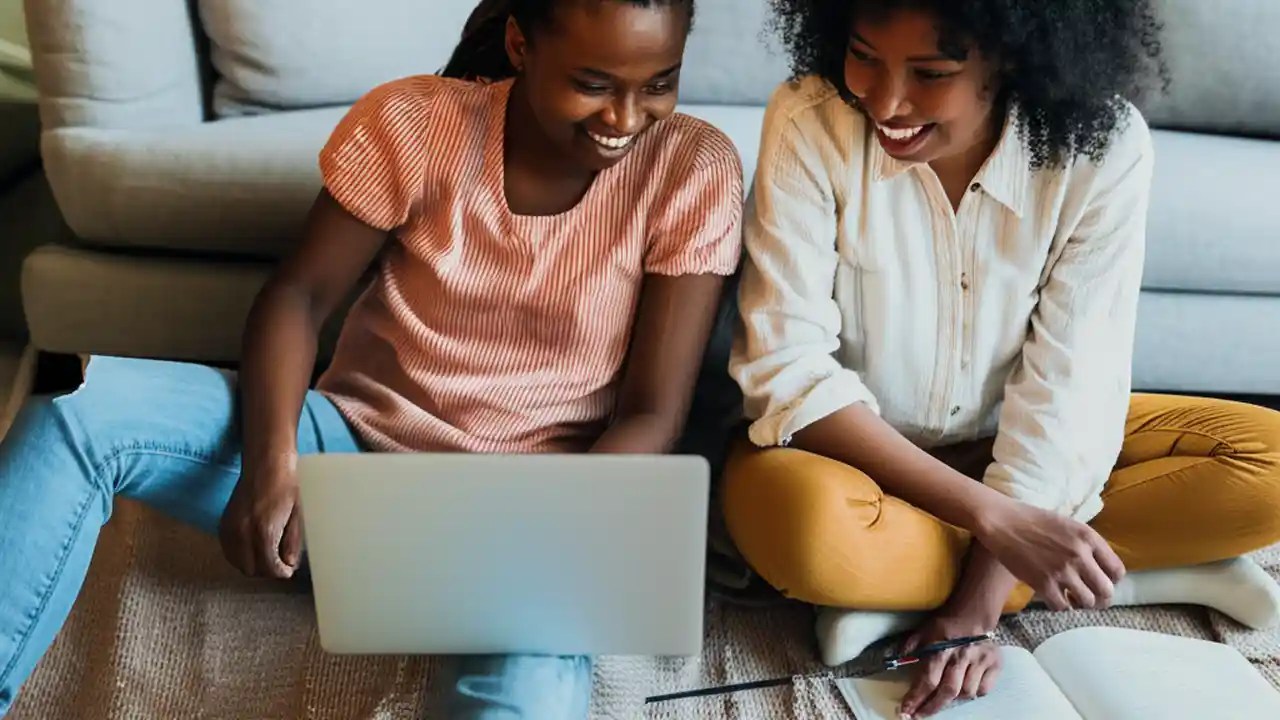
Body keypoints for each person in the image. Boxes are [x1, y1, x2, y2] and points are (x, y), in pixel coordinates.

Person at [0, 0, 744, 716]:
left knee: (522, 697)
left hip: (533, 508)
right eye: (593, 84)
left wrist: (552, 539)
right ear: (522, 46)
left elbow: (652, 413)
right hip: (352, 454)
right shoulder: (416, 122)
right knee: (81, 408)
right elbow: (296, 298)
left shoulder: (692, 169)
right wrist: (273, 464)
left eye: (658, 84)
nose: (624, 118)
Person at [724, 1, 1280, 717]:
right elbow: (786, 371)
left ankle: (933, 582)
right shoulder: (809, 120)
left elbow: (1069, 386)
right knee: (813, 537)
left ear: (1013, 60)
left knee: (1266, 464)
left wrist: (977, 609)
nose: (885, 101)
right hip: (855, 461)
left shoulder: (1105, 148)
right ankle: (1117, 572)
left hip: (1005, 445)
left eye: (930, 73)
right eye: (863, 55)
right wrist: (995, 517)